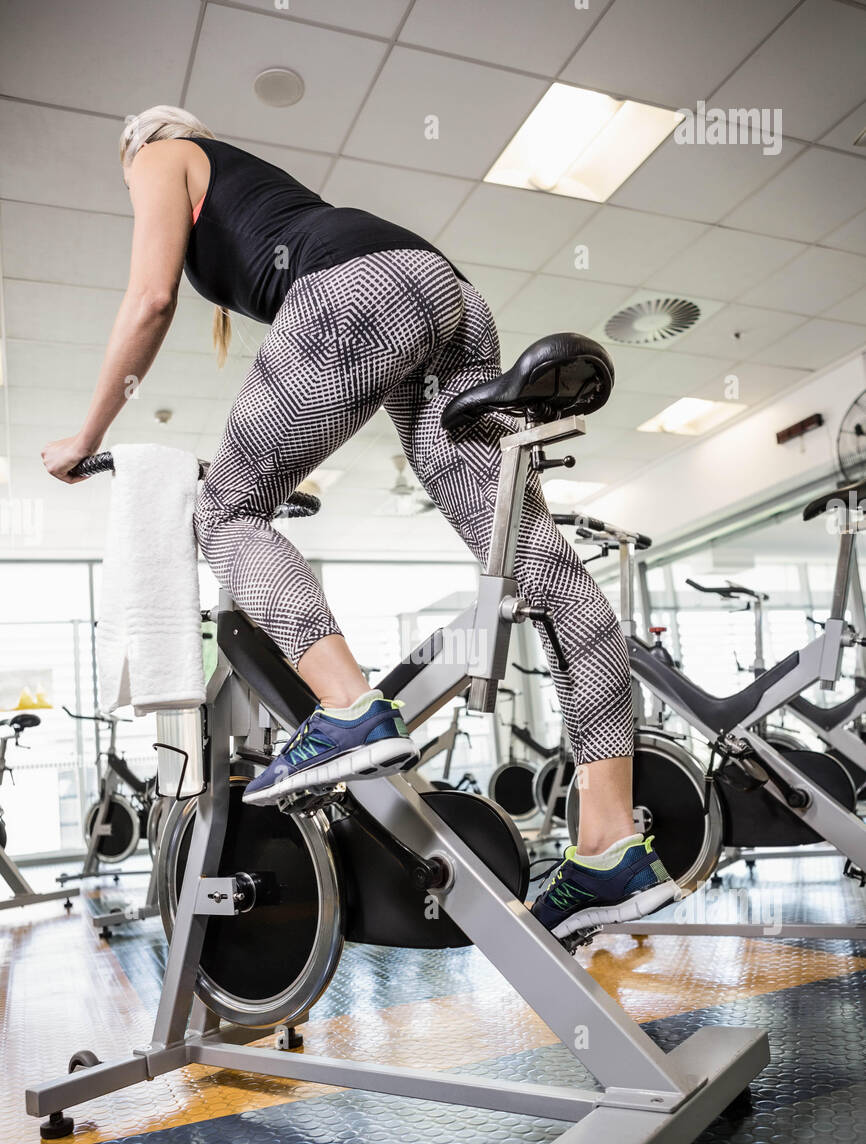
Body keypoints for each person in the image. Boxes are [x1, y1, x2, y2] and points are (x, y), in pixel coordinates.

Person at [41, 105, 679, 944]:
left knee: (228, 510)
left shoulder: (161, 151)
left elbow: (151, 296)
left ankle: (349, 706)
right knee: (545, 573)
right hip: (449, 297)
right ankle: (609, 848)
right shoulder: (252, 193)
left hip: (360, 290)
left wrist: (86, 434)